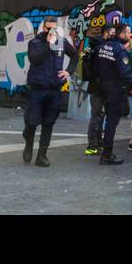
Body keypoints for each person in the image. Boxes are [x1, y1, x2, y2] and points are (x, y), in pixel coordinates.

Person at [23, 19, 78, 168]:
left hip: (54, 88)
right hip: (38, 88)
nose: (51, 32)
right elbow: (34, 59)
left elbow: (74, 55)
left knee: (49, 122)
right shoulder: (35, 43)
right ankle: (28, 142)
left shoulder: (60, 42)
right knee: (32, 122)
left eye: (54, 29)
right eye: (49, 29)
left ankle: (42, 155)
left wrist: (68, 71)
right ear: (43, 28)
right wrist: (48, 44)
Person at [93, 20, 132, 165]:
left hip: (102, 87)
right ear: (122, 33)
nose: (130, 35)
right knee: (112, 120)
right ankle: (107, 153)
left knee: (106, 118)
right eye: (129, 32)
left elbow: (97, 68)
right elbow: (124, 72)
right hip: (115, 88)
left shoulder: (103, 46)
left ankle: (103, 147)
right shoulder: (119, 50)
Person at [83, 24, 115, 157]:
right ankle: (92, 145)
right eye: (112, 32)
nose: (114, 35)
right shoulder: (100, 48)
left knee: (99, 116)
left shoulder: (95, 47)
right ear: (106, 33)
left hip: (97, 86)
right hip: (98, 86)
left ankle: (97, 142)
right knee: (97, 116)